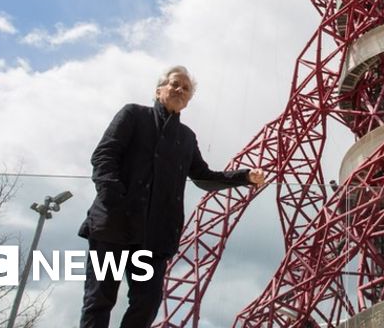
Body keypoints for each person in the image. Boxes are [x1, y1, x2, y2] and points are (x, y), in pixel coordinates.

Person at [78, 65, 267, 328]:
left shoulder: (186, 137)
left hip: (155, 236)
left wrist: (244, 177)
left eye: (186, 89)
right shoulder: (133, 114)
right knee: (99, 299)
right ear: (158, 91)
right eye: (175, 84)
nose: (180, 90)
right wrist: (114, 199)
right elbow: (104, 156)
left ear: (189, 101)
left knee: (148, 302)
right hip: (114, 226)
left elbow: (203, 176)